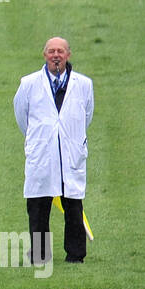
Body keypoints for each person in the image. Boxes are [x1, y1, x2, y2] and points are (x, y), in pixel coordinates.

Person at [13, 37, 93, 263]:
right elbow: (21, 115)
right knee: (38, 207)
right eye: (51, 51)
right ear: (44, 55)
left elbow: (86, 115)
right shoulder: (29, 83)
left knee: (73, 206)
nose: (55, 55)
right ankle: (39, 256)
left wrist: (69, 137)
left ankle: (76, 255)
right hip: (42, 155)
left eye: (60, 51)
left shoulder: (84, 85)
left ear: (68, 55)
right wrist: (40, 139)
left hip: (70, 154)